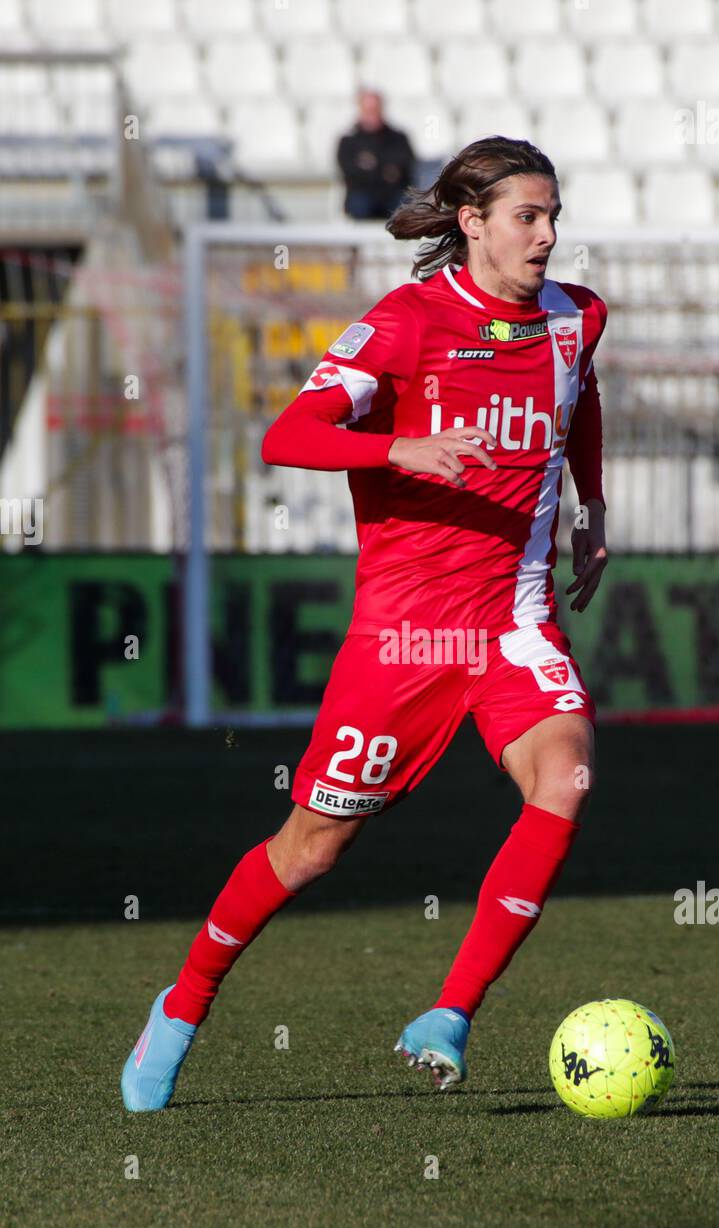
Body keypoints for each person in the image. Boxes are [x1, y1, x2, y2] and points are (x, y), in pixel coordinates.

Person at [121, 135, 609, 1110]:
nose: (548, 236)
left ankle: (449, 1014)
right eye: (527, 216)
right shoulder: (406, 323)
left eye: (553, 215)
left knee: (564, 776)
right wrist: (400, 447)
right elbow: (286, 433)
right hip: (403, 639)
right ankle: (183, 1002)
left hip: (512, 622)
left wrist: (592, 513)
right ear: (470, 222)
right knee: (309, 847)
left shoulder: (574, 319)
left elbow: (578, 401)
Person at [337, 89, 415, 220]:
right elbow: (350, 172)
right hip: (362, 195)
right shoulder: (348, 141)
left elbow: (404, 165)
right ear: (360, 110)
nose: (372, 114)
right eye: (368, 110)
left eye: (375, 109)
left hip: (393, 194)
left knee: (404, 204)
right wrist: (385, 170)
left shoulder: (398, 138)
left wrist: (371, 166)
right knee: (359, 203)